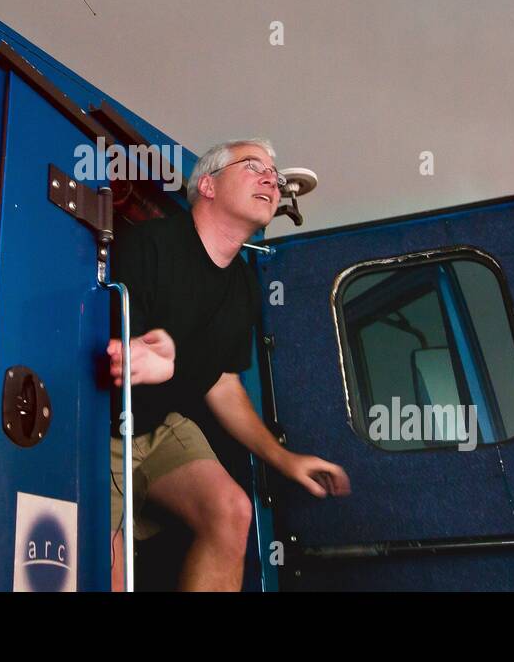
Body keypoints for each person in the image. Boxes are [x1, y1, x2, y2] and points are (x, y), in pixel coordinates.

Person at [107, 138, 349, 591]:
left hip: (160, 425)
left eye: (275, 176)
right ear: (209, 185)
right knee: (106, 558)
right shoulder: (149, 245)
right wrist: (137, 354)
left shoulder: (245, 287)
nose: (270, 180)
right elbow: (114, 349)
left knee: (232, 511)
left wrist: (284, 459)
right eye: (253, 166)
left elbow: (222, 381)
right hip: (101, 424)